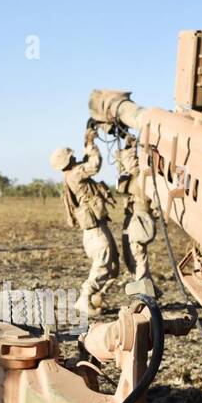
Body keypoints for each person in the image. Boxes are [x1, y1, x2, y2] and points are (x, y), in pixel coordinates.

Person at [51, 128, 118, 318]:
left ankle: (97, 296)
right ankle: (85, 297)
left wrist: (88, 145)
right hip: (95, 230)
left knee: (113, 265)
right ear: (68, 161)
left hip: (96, 226)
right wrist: (90, 145)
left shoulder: (71, 174)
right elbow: (94, 164)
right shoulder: (75, 174)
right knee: (103, 263)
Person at [116, 136, 159, 299]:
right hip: (139, 219)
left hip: (140, 220)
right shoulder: (146, 175)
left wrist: (130, 149)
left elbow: (132, 166)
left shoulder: (142, 175)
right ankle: (151, 292)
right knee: (135, 259)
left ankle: (143, 297)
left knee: (138, 259)